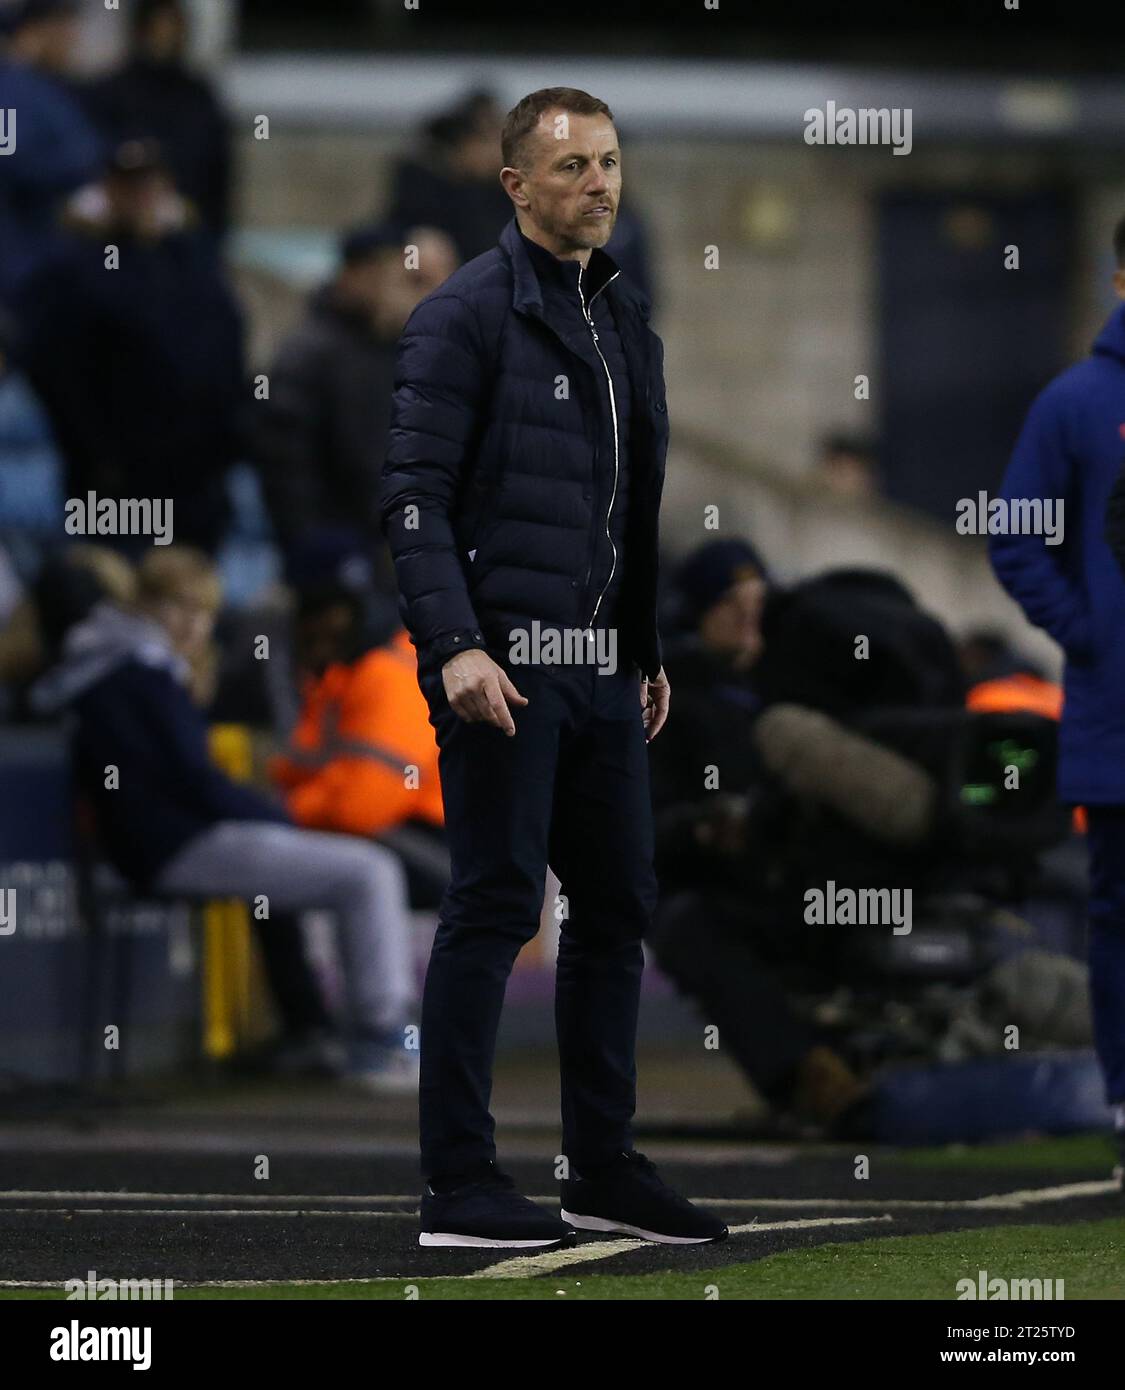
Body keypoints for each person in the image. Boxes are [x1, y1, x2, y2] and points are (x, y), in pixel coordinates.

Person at [381, 86, 726, 1249]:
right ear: (515, 185)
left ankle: (603, 1167)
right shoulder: (462, 317)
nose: (600, 184)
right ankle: (458, 1184)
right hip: (504, 664)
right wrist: (456, 644)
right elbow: (413, 499)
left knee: (619, 903)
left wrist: (644, 642)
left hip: (599, 668)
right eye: (573, 166)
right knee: (492, 900)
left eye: (612, 162)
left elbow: (625, 506)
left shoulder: (627, 319)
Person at [30, 546, 419, 1090]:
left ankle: (329, 1031)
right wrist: (278, 819)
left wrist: (270, 819)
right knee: (368, 871)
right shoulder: (130, 669)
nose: (193, 625)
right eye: (179, 609)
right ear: (145, 605)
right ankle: (382, 1042)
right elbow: (195, 782)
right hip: (171, 847)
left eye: (203, 612)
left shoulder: (122, 660)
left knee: (348, 869)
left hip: (175, 838)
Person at [991, 214, 1125, 1180]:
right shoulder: (1076, 402)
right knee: (1118, 919)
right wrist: (1087, 635)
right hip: (1115, 718)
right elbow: (1014, 537)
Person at [14, 139, 245, 553]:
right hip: (116, 483)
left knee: (192, 598)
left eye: (147, 184)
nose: (139, 196)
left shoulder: (193, 257)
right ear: (107, 190)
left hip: (197, 479)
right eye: (127, 185)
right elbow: (57, 371)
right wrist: (98, 459)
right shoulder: (75, 265)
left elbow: (225, 348)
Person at [253, 222, 458, 582]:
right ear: (358, 275)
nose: (397, 292)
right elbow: (285, 459)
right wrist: (308, 538)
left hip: (387, 543)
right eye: (392, 278)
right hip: (334, 546)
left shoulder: (393, 348)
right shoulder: (312, 351)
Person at [270, 580, 449, 908]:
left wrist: (286, 810)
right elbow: (294, 769)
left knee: (272, 863)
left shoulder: (388, 674)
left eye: (334, 625)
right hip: (392, 835)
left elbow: (361, 806)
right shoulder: (340, 680)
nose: (320, 645)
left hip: (430, 848)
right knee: (265, 858)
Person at [81, 0, 232, 239]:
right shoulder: (109, 94)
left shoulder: (197, 97)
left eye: (173, 27)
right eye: (158, 27)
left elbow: (216, 176)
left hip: (184, 235)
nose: (165, 36)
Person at [0, 0, 103, 304]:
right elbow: (11, 159)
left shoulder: (53, 89)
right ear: (36, 32)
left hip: (56, 269)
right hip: (26, 271)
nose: (73, 38)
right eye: (64, 27)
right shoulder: (11, 91)